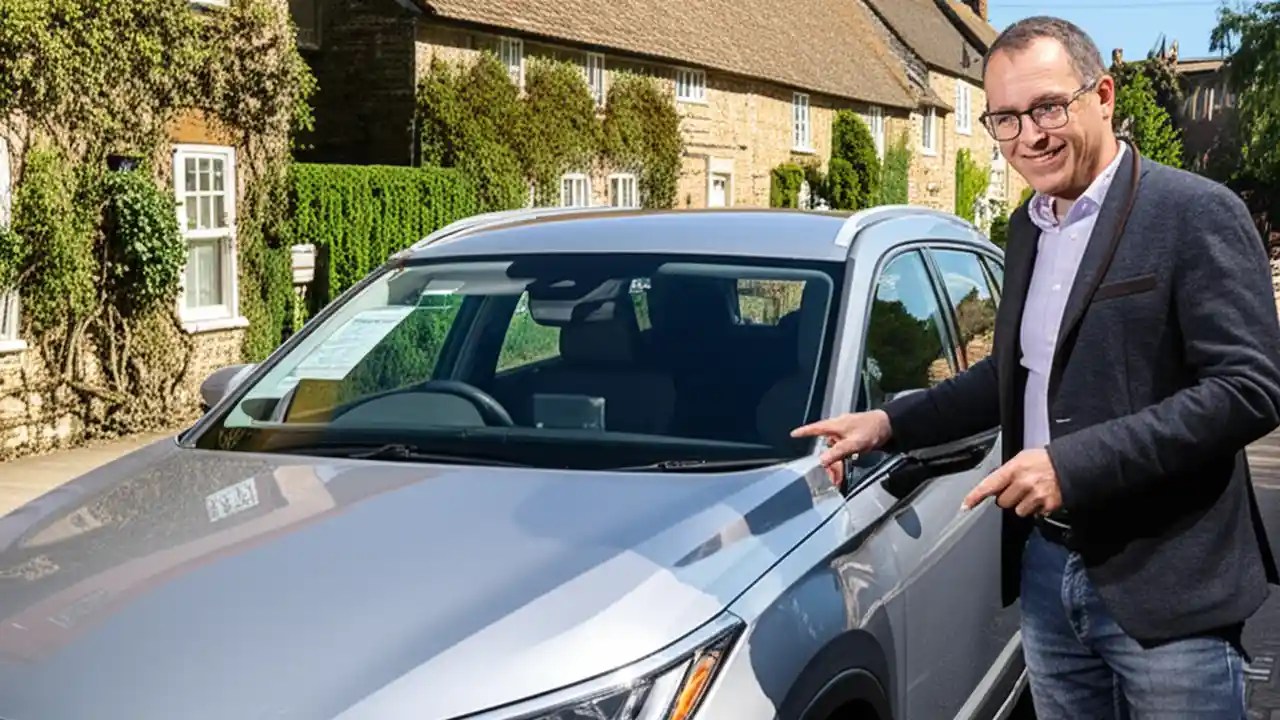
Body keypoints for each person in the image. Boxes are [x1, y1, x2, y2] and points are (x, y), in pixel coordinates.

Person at [792, 15, 1280, 720]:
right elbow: (1012, 378)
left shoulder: (1194, 212)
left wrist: (1070, 466)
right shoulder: (1028, 225)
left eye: (1048, 107)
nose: (1030, 136)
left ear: (1103, 96)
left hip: (1170, 586)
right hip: (1049, 575)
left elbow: (1248, 389)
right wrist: (889, 421)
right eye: (1006, 119)